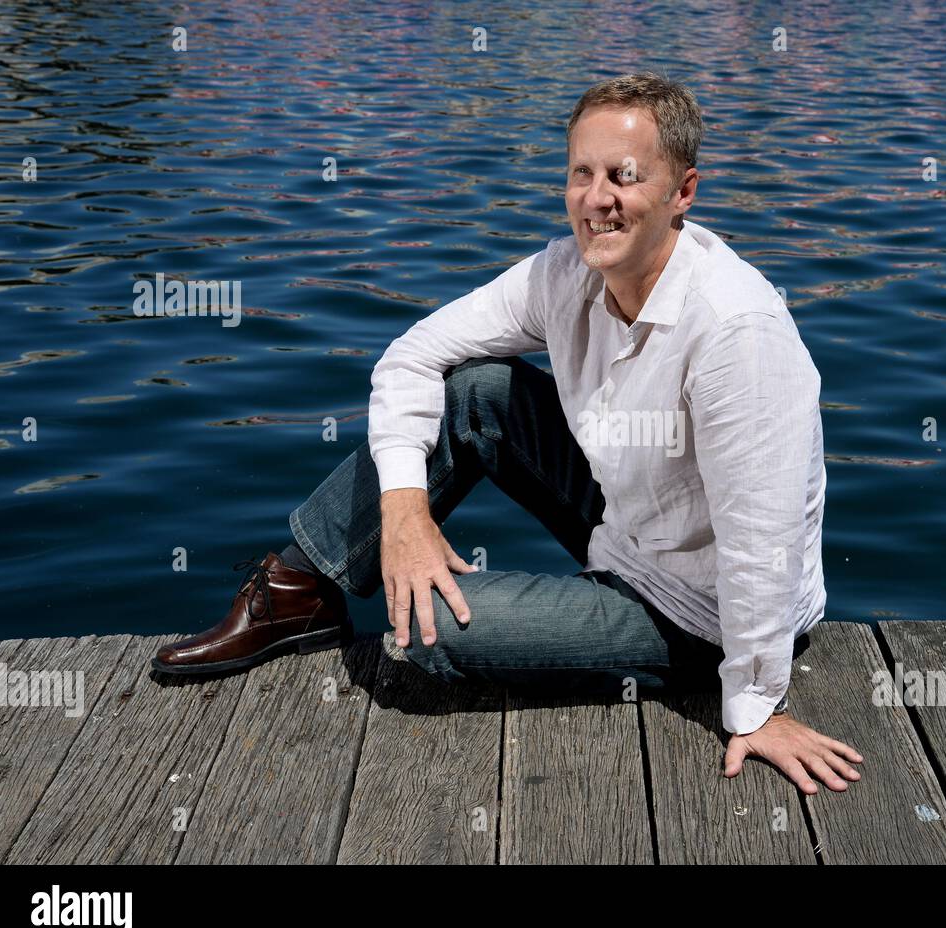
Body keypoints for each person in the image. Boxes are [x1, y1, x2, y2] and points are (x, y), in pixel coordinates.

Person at [154, 72, 863, 794]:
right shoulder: (566, 273)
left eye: (624, 176)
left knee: (422, 627)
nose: (597, 199)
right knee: (476, 389)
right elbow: (413, 354)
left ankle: (644, 646)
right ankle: (299, 588)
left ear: (683, 192)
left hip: (702, 609)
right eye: (581, 174)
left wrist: (753, 707)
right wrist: (404, 513)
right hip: (628, 520)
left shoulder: (737, 336)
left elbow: (762, 544)